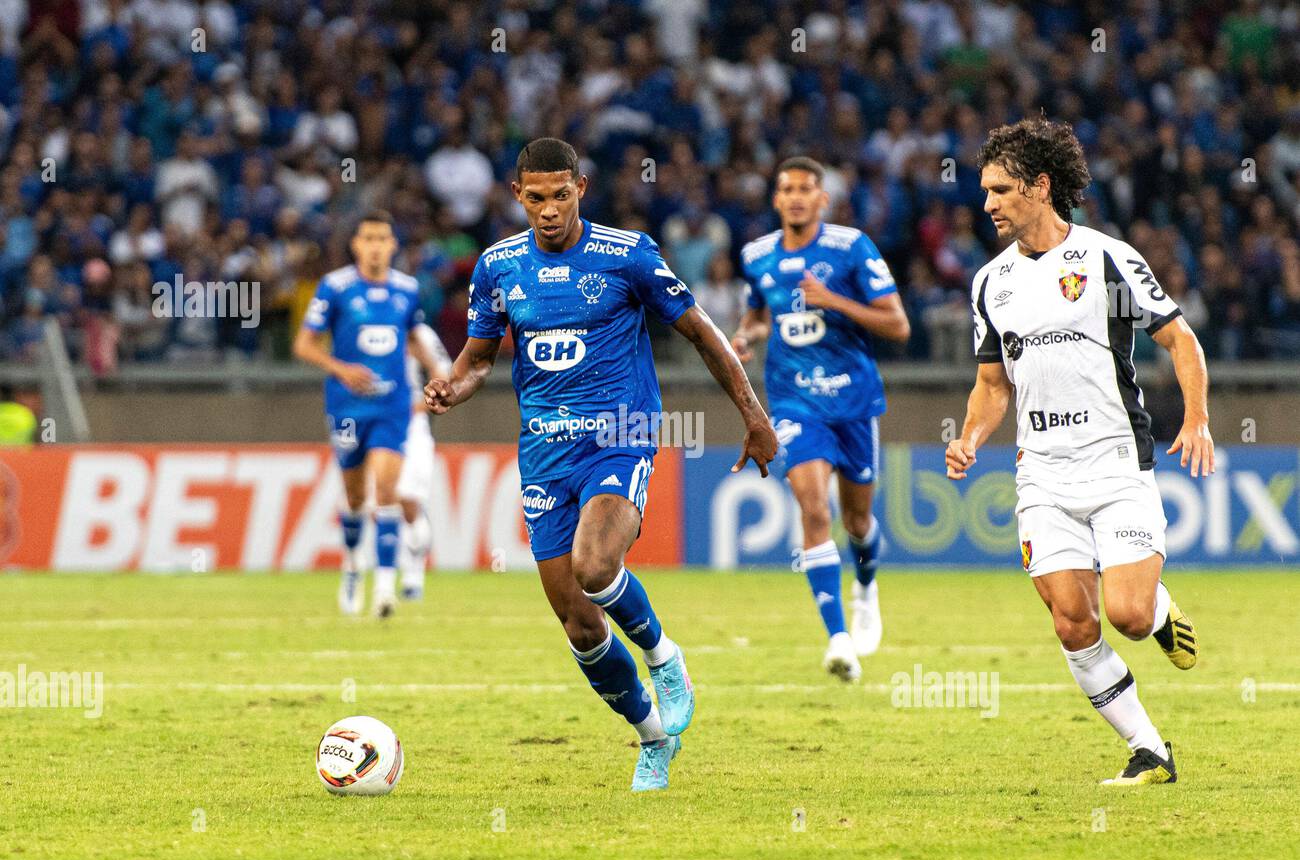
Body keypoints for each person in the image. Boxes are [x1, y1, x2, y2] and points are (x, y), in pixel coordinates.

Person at [425, 138, 777, 791]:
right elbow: (477, 362)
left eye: (562, 195)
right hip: (543, 451)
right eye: (537, 198)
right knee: (579, 623)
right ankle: (651, 738)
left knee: (594, 566)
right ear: (517, 196)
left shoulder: (628, 255)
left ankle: (663, 655)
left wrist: (754, 418)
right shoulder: (498, 266)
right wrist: (450, 385)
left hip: (621, 434)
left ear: (581, 188)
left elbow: (701, 331)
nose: (550, 209)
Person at [946, 118, 1210, 786]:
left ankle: (1157, 611)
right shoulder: (990, 283)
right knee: (1072, 623)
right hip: (1041, 475)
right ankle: (1150, 751)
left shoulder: (1105, 259)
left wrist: (1200, 420)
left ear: (1041, 186)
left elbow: (1179, 340)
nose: (988, 204)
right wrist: (971, 438)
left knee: (1124, 615)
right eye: (984, 190)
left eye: (1001, 189)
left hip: (1116, 462)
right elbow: (991, 384)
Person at [732, 157, 911, 681]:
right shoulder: (756, 255)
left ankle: (866, 587)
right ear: (775, 198)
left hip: (853, 402)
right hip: (793, 403)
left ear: (822, 199)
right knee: (813, 509)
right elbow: (759, 313)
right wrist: (747, 336)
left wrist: (834, 300)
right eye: (785, 188)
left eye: (805, 189)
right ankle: (837, 639)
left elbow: (897, 324)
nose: (794, 197)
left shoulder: (851, 247)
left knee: (857, 521)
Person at [293, 210, 441, 618]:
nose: (376, 246)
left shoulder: (407, 290)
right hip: (346, 406)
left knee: (387, 490)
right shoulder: (335, 287)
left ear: (393, 245)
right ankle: (353, 564)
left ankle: (384, 590)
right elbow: (304, 345)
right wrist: (342, 370)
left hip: (392, 406)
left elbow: (413, 335)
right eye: (368, 239)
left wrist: (437, 370)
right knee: (356, 497)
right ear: (356, 245)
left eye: (383, 239)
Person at [396, 322, 451, 601]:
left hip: (411, 425)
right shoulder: (362, 325)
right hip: (375, 422)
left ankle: (412, 576)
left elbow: (443, 372)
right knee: (378, 501)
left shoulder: (417, 333)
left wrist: (422, 403)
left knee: (408, 500)